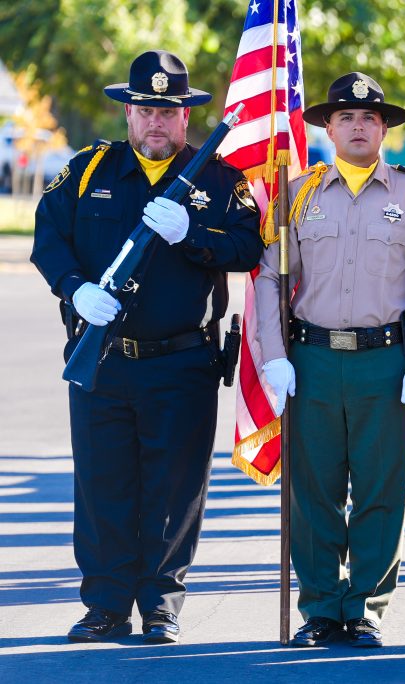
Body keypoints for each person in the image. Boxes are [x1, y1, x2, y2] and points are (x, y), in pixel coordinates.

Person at [30, 50, 262, 644]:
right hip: (104, 359)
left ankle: (162, 604)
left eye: (168, 110)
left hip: (183, 362)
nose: (155, 120)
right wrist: (76, 290)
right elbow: (48, 236)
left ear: (185, 117)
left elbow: (247, 248)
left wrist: (193, 234)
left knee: (174, 489)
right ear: (127, 113)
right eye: (144, 108)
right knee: (103, 485)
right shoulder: (88, 171)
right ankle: (105, 604)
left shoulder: (219, 178)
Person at [255, 72, 405, 649]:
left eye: (369, 118)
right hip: (311, 359)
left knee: (380, 487)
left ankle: (365, 605)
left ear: (384, 127)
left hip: (384, 363)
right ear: (328, 128)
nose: (358, 126)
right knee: (312, 488)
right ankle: (319, 605)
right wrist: (273, 354)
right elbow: (268, 276)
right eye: (346, 118)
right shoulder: (298, 192)